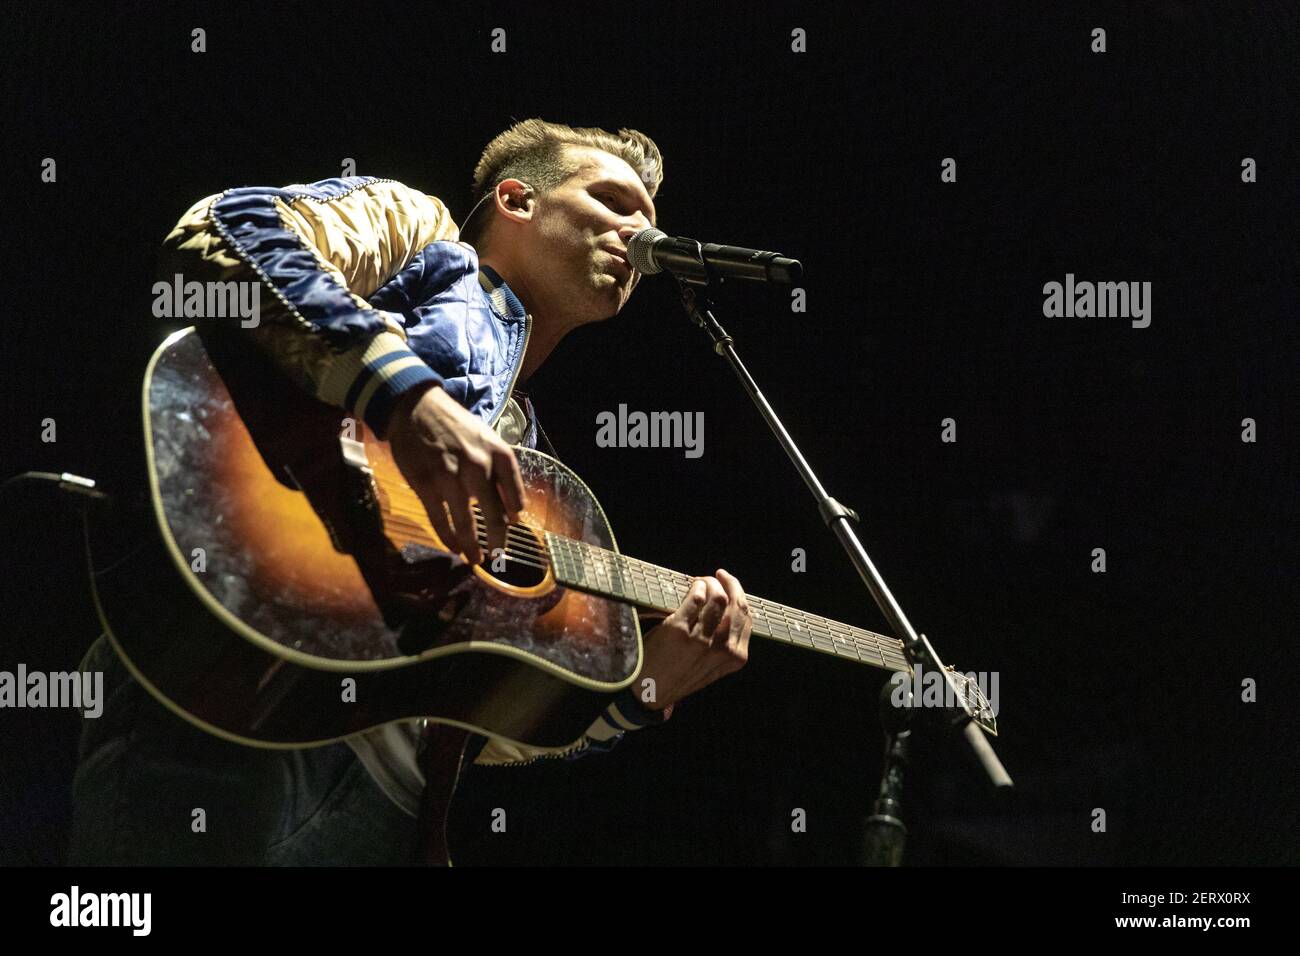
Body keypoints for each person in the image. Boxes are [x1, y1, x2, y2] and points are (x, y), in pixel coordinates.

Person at [69, 119, 752, 865]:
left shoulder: (537, 476)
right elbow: (227, 230)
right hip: (227, 699)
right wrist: (407, 397)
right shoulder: (422, 236)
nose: (639, 234)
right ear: (517, 199)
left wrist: (643, 689)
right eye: (616, 201)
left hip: (394, 817)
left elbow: (487, 722)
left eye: (650, 221)